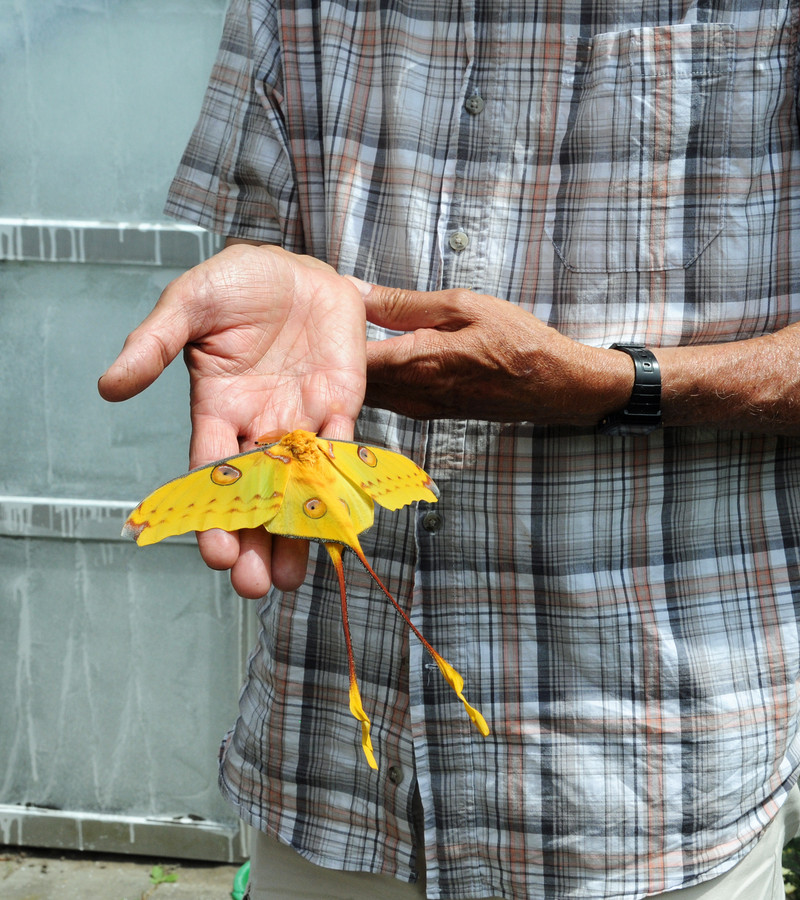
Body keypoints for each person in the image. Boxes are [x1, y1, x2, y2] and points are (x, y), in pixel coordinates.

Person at [98, 2, 800, 898]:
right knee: (354, 581)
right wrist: (274, 283)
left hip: (646, 788)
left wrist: (612, 384)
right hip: (330, 782)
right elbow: (261, 241)